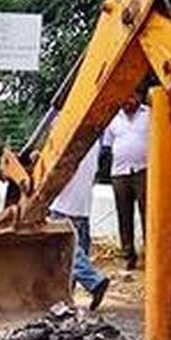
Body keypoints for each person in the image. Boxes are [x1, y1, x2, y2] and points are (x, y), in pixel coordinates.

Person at [50, 141, 111, 311]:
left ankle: (94, 281)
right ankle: (66, 297)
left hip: (63, 205)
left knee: (66, 252)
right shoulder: (94, 144)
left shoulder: (70, 144)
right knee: (79, 249)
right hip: (83, 206)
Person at [105, 90, 149, 270]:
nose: (127, 101)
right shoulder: (113, 118)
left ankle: (150, 254)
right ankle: (128, 255)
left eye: (131, 97)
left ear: (138, 96)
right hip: (119, 173)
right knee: (124, 214)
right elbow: (106, 145)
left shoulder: (150, 114)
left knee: (147, 213)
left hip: (143, 170)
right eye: (124, 98)